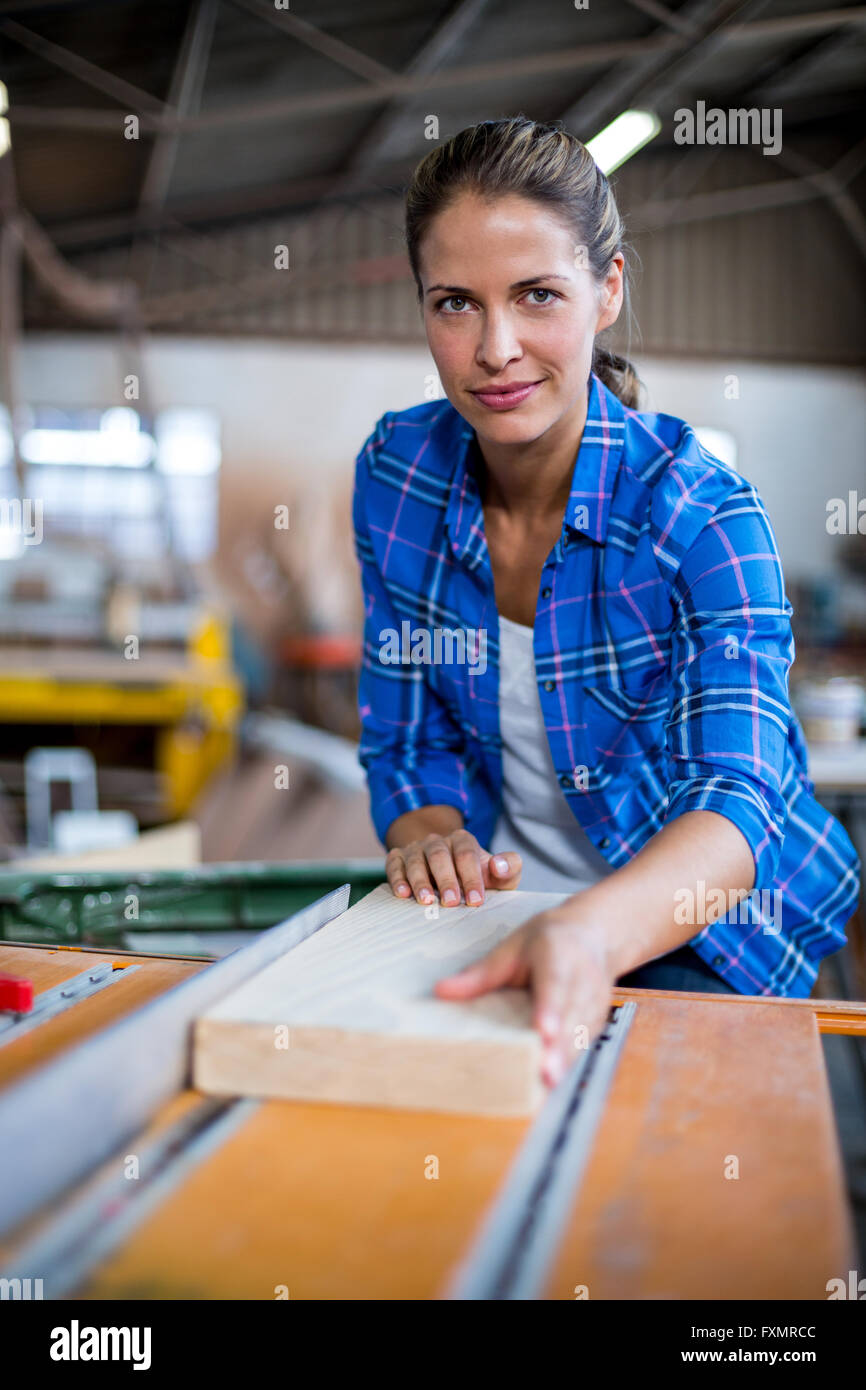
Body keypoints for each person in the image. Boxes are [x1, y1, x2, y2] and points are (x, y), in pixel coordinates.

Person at [351, 116, 860, 1087]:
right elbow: (406, 735)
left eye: (537, 295)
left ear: (606, 291)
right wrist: (429, 835)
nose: (496, 348)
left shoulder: (701, 516)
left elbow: (735, 798)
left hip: (709, 930)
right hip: (513, 910)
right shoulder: (395, 474)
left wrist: (588, 938)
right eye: (455, 303)